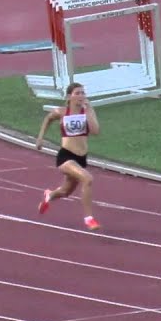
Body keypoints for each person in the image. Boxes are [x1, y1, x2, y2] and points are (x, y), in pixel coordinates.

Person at [35, 82, 101, 230]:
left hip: (81, 158)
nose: (81, 96)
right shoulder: (62, 112)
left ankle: (49, 195)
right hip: (65, 156)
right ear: (69, 96)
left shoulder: (87, 112)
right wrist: (40, 138)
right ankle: (89, 218)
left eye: (83, 93)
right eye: (77, 93)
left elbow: (96, 131)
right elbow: (48, 118)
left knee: (66, 192)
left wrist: (89, 109)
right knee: (87, 178)